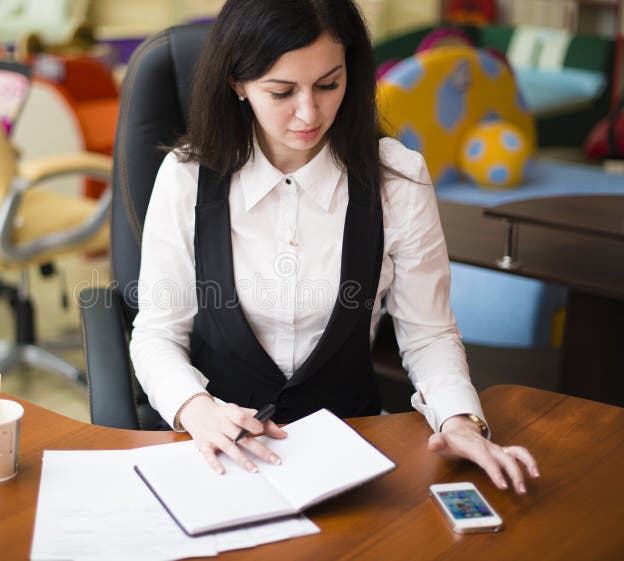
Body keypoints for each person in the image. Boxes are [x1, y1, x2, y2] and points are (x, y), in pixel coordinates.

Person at [130, 0, 539, 493]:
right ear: (238, 84)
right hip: (219, 454)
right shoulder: (186, 178)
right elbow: (156, 333)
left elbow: (428, 334)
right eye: (282, 91)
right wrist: (195, 409)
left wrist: (459, 420)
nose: (309, 113)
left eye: (328, 84)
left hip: (350, 449)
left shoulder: (397, 177)